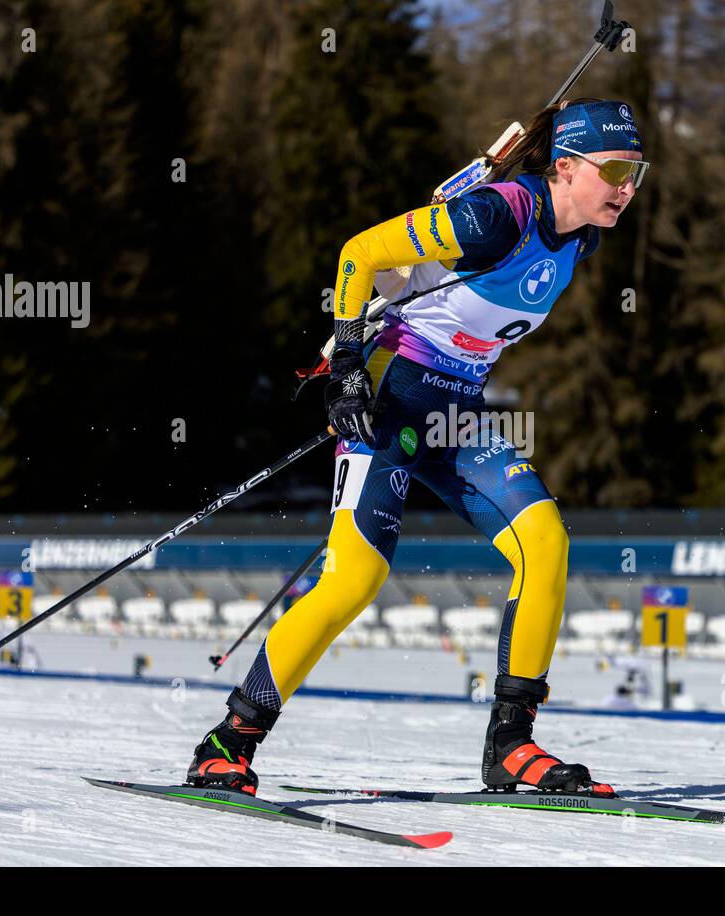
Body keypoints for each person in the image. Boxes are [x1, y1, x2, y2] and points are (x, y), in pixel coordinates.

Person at [186, 97, 648, 796]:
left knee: (545, 541)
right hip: (389, 395)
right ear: (565, 166)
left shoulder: (581, 236)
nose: (626, 187)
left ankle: (511, 747)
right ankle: (231, 740)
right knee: (353, 580)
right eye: (614, 168)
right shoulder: (496, 214)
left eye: (637, 173)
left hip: (456, 409)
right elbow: (362, 253)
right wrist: (343, 367)